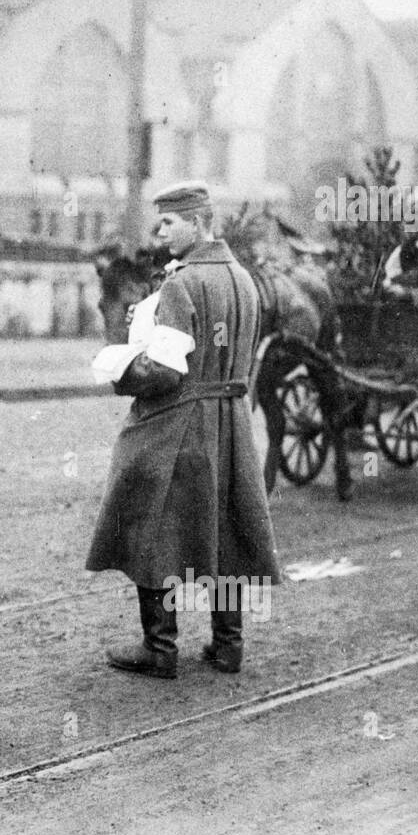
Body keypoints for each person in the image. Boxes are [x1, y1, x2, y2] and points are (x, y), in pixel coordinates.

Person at [86, 180, 279, 677]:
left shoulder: (182, 283)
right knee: (227, 530)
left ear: (198, 221)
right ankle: (228, 645)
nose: (161, 230)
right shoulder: (243, 279)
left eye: (169, 221)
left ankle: (160, 648)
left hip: (177, 424)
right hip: (231, 422)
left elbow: (166, 372)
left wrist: (118, 368)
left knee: (149, 525)